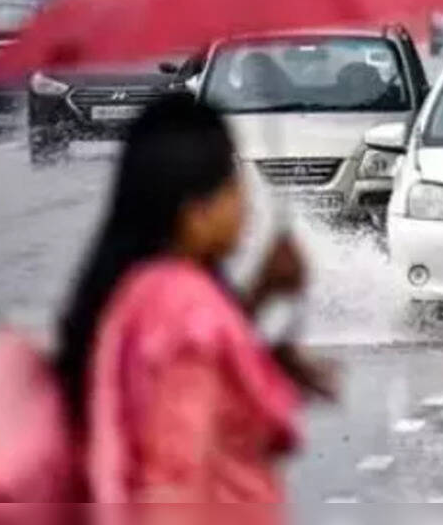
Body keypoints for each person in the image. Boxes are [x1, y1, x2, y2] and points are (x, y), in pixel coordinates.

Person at [55, 94, 335, 503]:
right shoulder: (184, 308)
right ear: (195, 210)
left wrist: (262, 301)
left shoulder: (147, 288)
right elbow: (173, 479)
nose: (246, 204)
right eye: (234, 185)